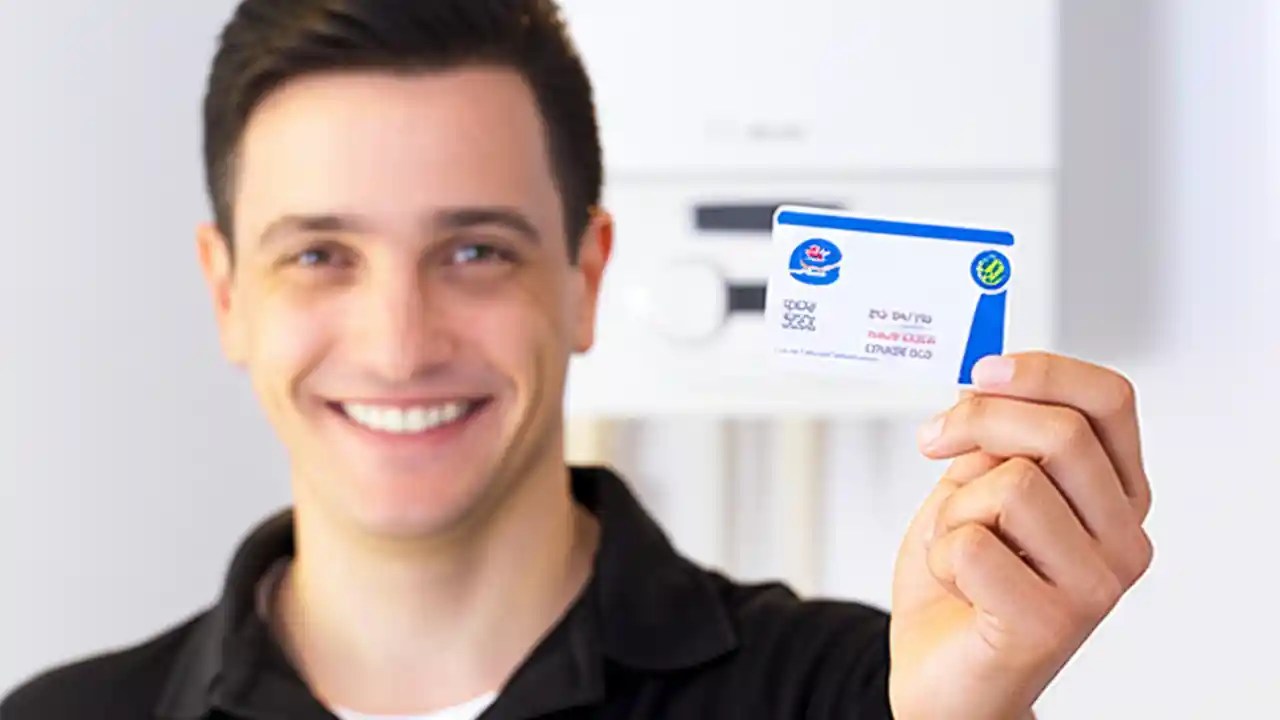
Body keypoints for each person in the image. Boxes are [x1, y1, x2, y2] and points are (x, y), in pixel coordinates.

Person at [0, 1, 1154, 718]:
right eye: (319, 256)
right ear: (226, 294)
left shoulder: (861, 693)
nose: (398, 343)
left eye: (473, 251)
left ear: (584, 276)